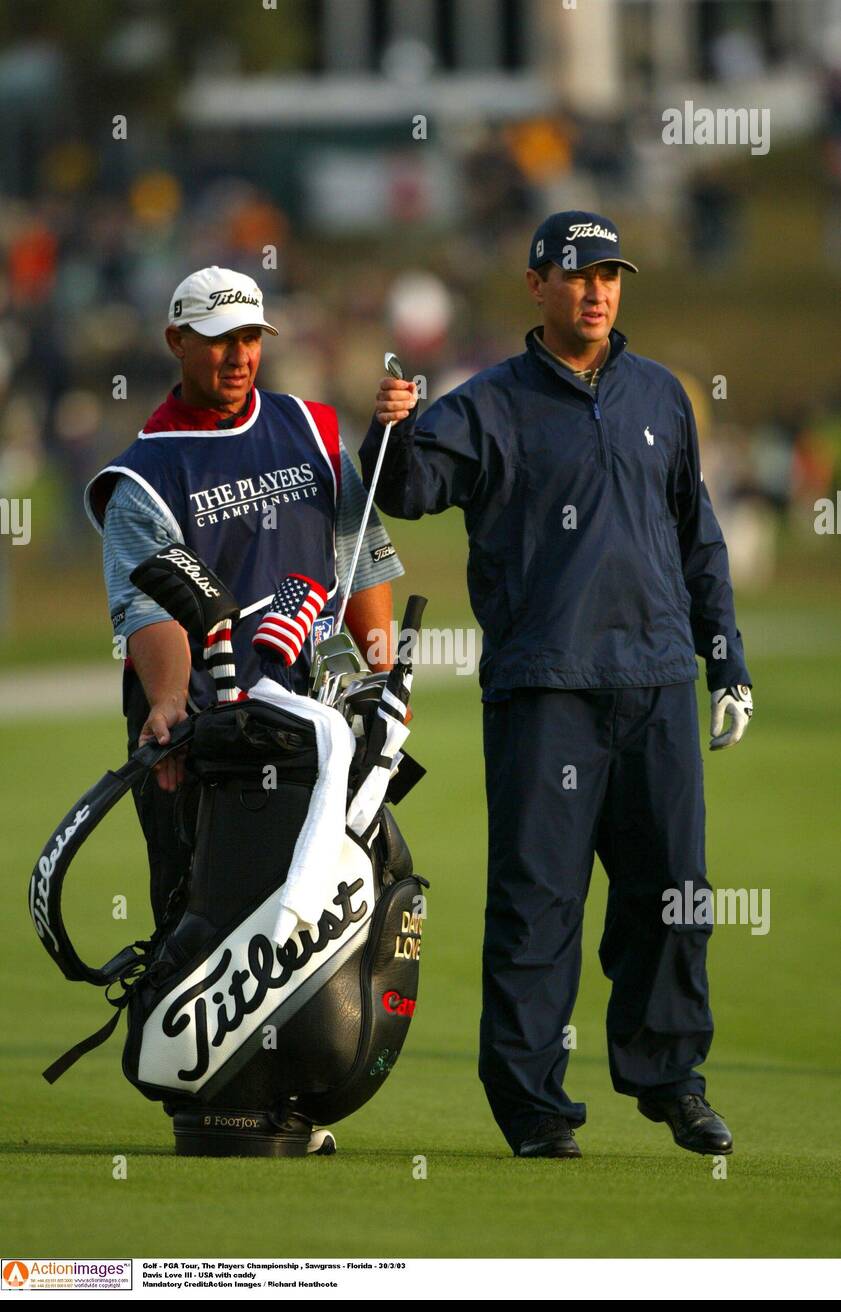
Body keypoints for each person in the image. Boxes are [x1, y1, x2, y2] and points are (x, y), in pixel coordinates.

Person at [360, 211, 753, 1160]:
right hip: (545, 689)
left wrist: (724, 658)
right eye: (576, 274)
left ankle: (670, 1080)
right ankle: (533, 1107)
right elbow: (407, 492)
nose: (595, 290)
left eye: (608, 274)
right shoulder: (487, 402)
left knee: (675, 894)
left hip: (655, 681)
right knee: (538, 904)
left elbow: (695, 538)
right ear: (536, 285)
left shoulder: (660, 395)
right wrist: (396, 430)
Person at [84, 265, 404, 938]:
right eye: (219, 338)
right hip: (195, 723)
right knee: (196, 919)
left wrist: (383, 676)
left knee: (319, 915)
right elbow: (149, 610)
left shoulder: (310, 427)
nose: (240, 356)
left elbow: (359, 551)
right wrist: (170, 702)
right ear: (177, 340)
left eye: (251, 337)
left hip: (310, 710)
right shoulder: (143, 476)